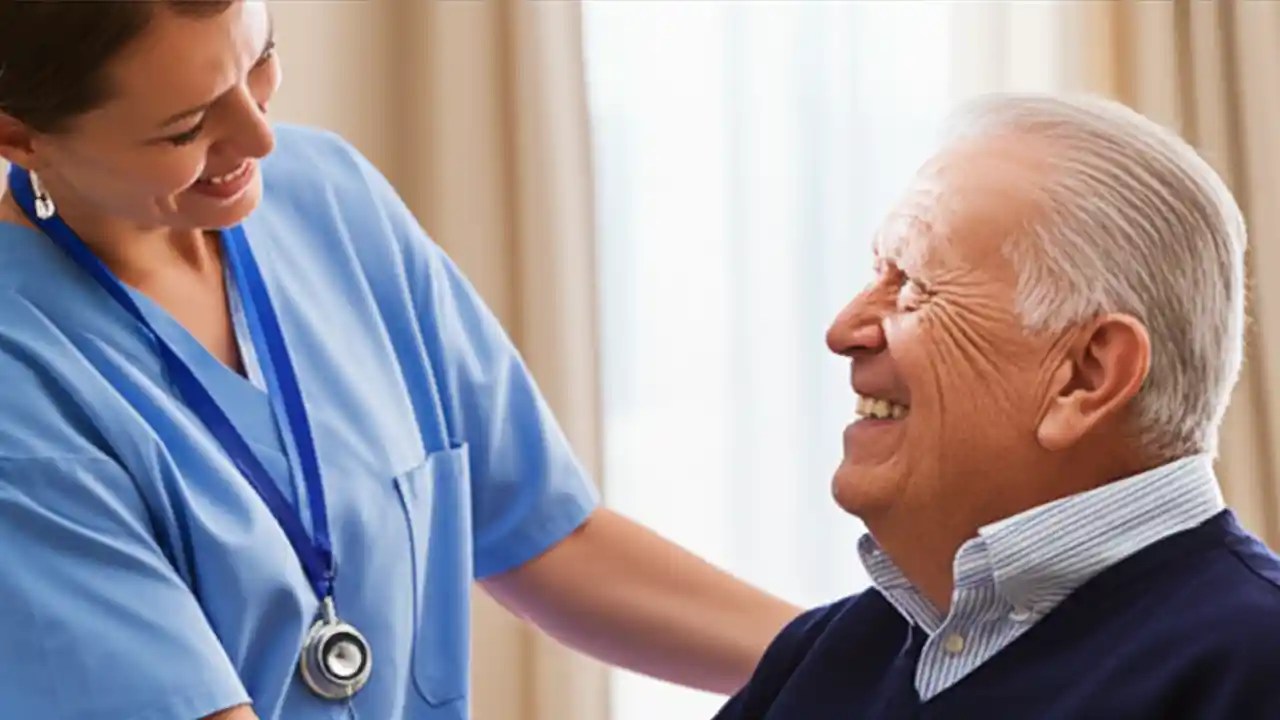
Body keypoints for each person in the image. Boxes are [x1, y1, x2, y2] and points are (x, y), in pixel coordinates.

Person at [0, 2, 801, 719]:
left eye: (260, 60)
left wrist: (873, 667)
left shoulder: (329, 202)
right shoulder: (21, 382)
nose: (259, 137)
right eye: (186, 127)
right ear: (19, 134)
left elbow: (554, 544)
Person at [714, 93, 1280, 719]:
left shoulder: (1252, 667)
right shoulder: (819, 657)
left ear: (1085, 376)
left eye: (913, 285)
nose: (844, 329)